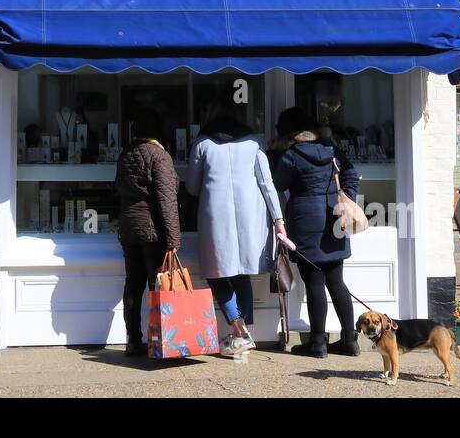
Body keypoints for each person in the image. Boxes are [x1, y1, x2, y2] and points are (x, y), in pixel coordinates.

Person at [185, 108, 290, 356]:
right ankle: (245, 332)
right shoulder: (253, 143)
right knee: (242, 274)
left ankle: (239, 330)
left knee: (217, 274)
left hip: (215, 215)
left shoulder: (203, 144)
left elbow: (191, 185)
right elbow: (266, 183)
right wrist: (278, 219)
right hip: (249, 216)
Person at [272, 107, 362, 358]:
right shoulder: (332, 150)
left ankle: (318, 343)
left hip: (305, 221)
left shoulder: (291, 155)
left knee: (314, 283)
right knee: (336, 281)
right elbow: (351, 175)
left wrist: (274, 152)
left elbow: (278, 184)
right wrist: (345, 199)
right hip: (335, 218)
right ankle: (349, 340)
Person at [114, 107, 182, 356]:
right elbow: (167, 199)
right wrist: (174, 238)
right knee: (158, 285)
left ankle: (133, 340)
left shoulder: (125, 154)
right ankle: (160, 340)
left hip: (128, 226)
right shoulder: (159, 156)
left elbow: (118, 187)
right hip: (152, 228)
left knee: (133, 284)